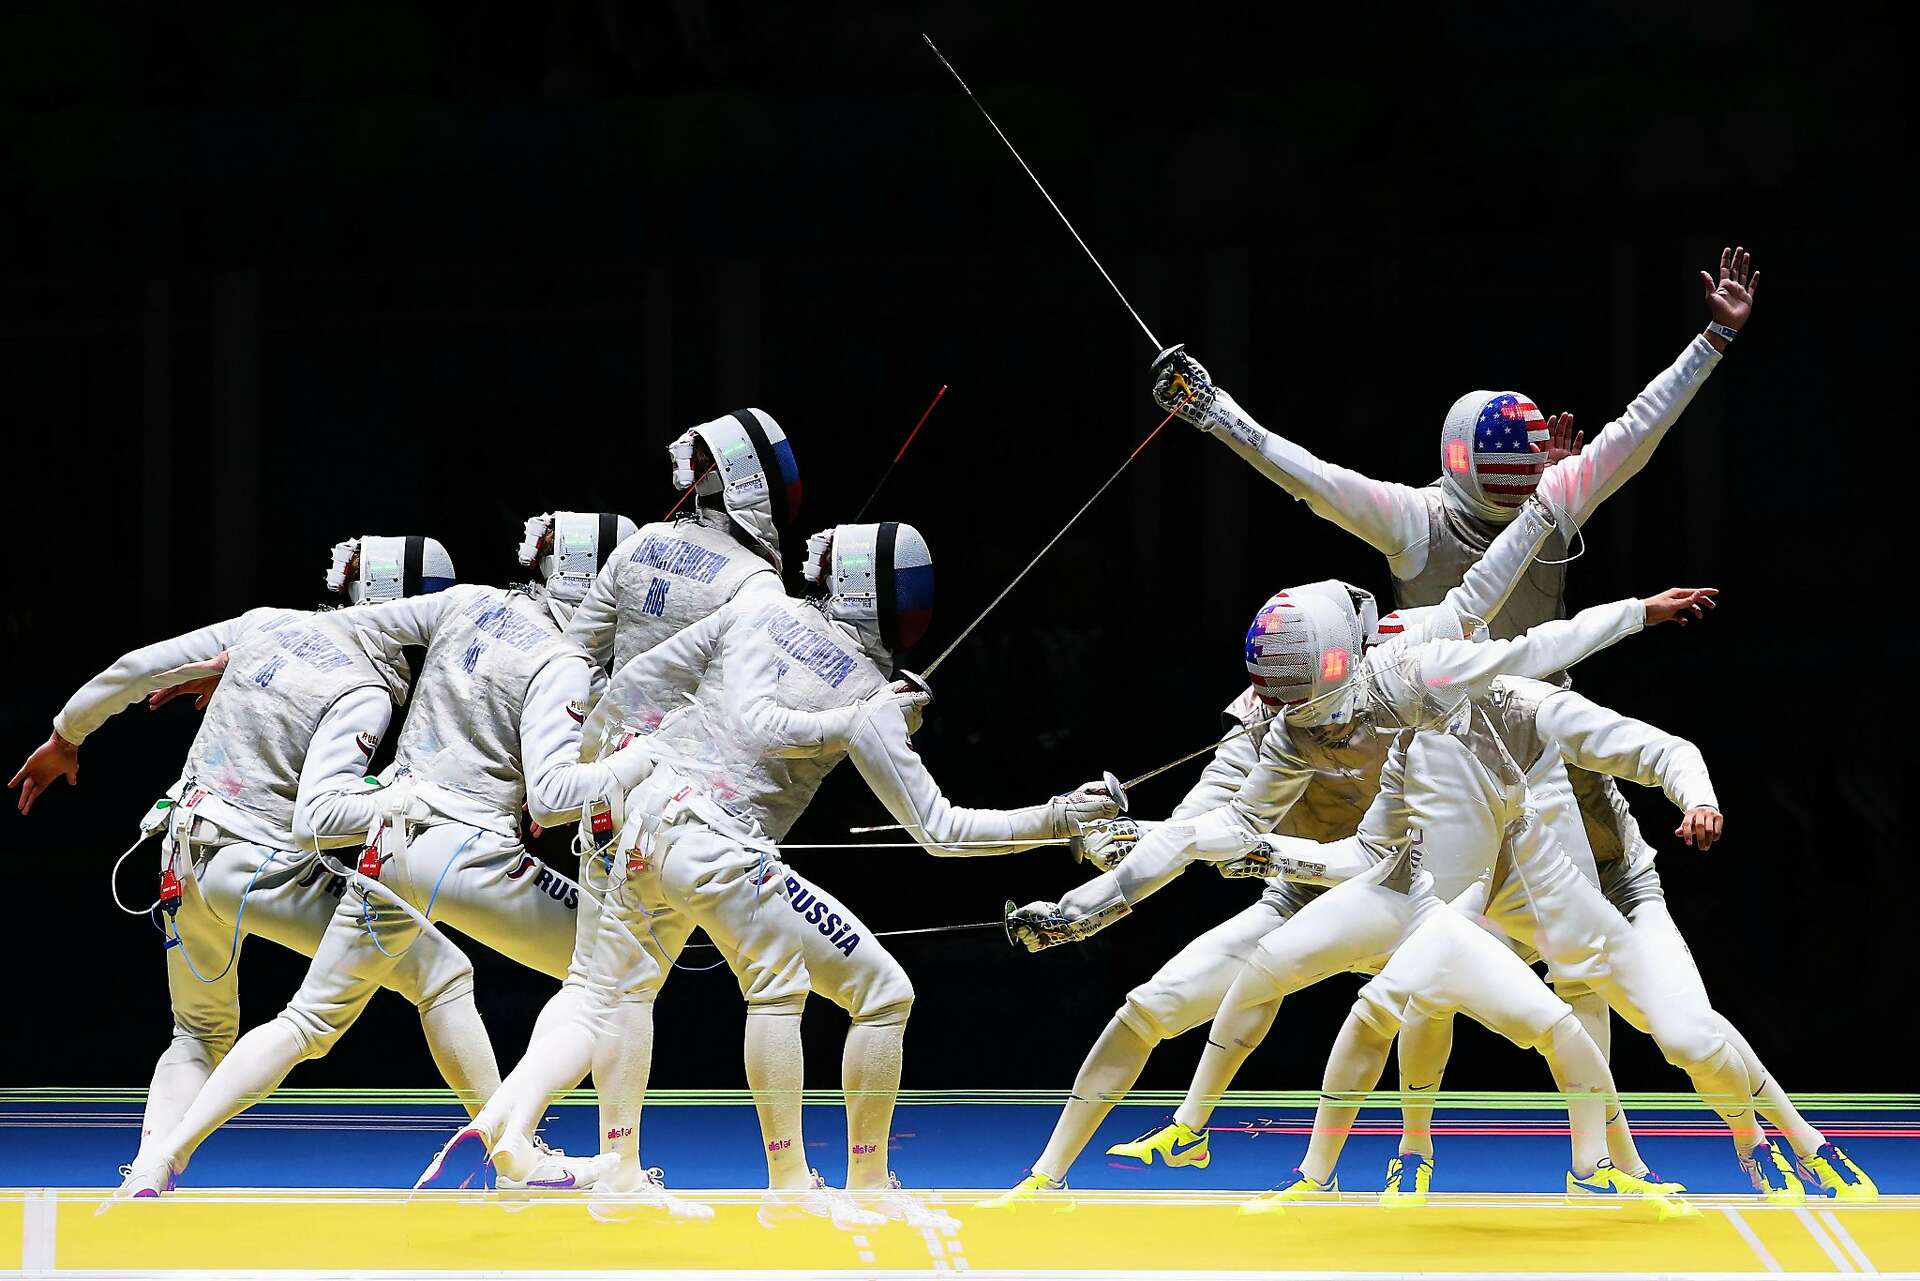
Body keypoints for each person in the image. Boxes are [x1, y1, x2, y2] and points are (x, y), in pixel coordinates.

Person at [423, 522, 1121, 1230]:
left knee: (625, 989)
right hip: (720, 853)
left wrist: (592, 770)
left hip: (641, 822)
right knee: (881, 991)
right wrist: (1059, 817)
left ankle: (617, 1166)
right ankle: (854, 1189)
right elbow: (942, 831)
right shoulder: (870, 702)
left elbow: (644, 677)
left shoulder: (761, 610)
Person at [9, 541, 496, 1197]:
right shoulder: (365, 690)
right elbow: (319, 818)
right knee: (442, 972)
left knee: (199, 1031)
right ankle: (513, 1151)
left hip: (178, 857)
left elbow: (135, 668)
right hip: (255, 864)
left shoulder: (263, 624)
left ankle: (147, 1173)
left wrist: (66, 735)